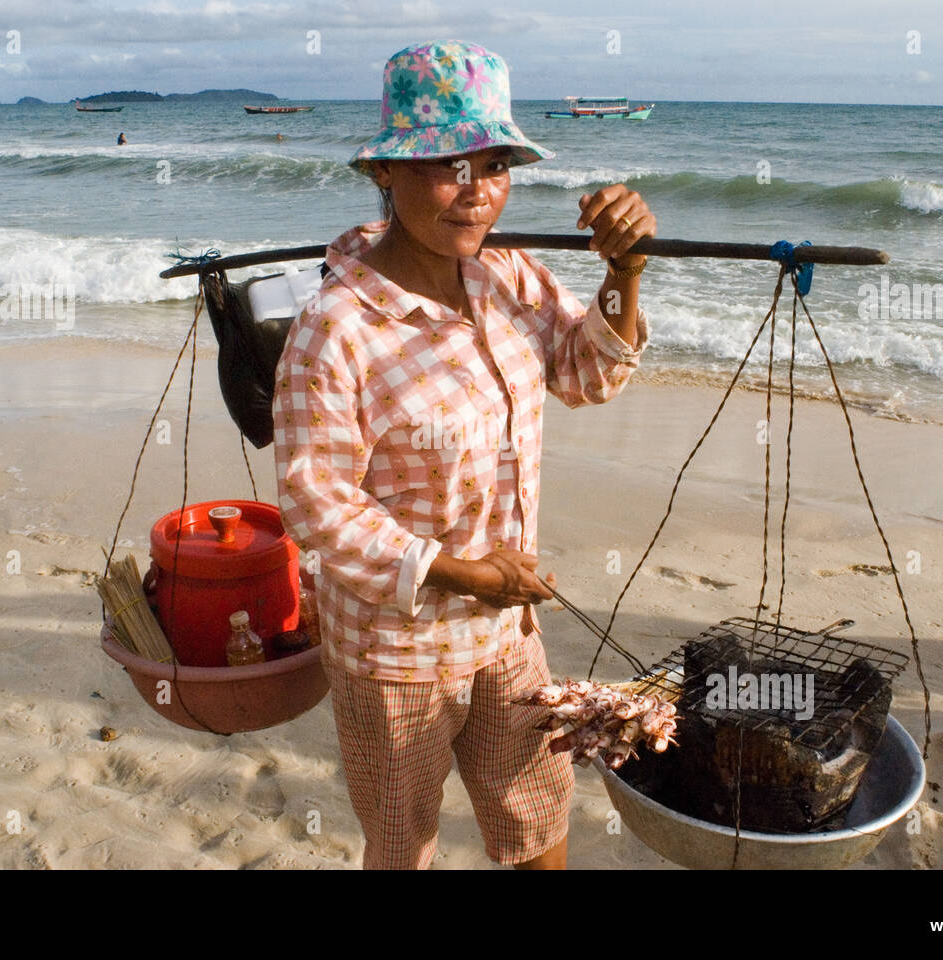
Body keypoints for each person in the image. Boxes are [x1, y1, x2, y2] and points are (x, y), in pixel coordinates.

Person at [272, 39, 655, 870]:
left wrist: (624, 273)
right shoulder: (337, 327)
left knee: (535, 819)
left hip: (507, 631)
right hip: (393, 651)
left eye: (494, 164)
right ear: (387, 174)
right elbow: (316, 500)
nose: (477, 192)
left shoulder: (507, 279)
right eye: (449, 165)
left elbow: (588, 373)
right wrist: (458, 571)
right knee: (401, 839)